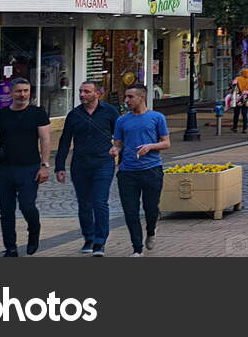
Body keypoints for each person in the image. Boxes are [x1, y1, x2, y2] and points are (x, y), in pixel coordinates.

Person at [0, 77, 52, 257]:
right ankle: (10, 247)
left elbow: (45, 139)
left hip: (29, 167)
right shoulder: (0, 115)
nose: (23, 94)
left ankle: (34, 231)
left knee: (27, 206)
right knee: (6, 210)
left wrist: (45, 165)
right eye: (19, 91)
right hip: (4, 169)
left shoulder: (38, 113)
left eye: (26, 91)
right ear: (11, 93)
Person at [55, 80, 120, 256]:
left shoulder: (110, 112)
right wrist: (59, 166)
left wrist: (118, 149)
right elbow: (64, 141)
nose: (82, 95)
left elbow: (121, 134)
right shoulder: (74, 115)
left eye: (87, 92)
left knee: (99, 202)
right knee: (84, 203)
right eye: (81, 91)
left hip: (103, 163)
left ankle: (100, 241)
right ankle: (88, 237)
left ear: (98, 93)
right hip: (80, 165)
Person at [112, 83, 170, 256]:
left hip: (151, 170)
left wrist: (150, 146)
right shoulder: (122, 120)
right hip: (127, 172)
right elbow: (118, 144)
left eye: (130, 97)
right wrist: (115, 150)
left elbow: (166, 143)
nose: (126, 100)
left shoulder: (157, 117)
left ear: (141, 97)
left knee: (151, 209)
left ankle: (151, 231)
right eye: (125, 97)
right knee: (130, 212)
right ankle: (137, 248)